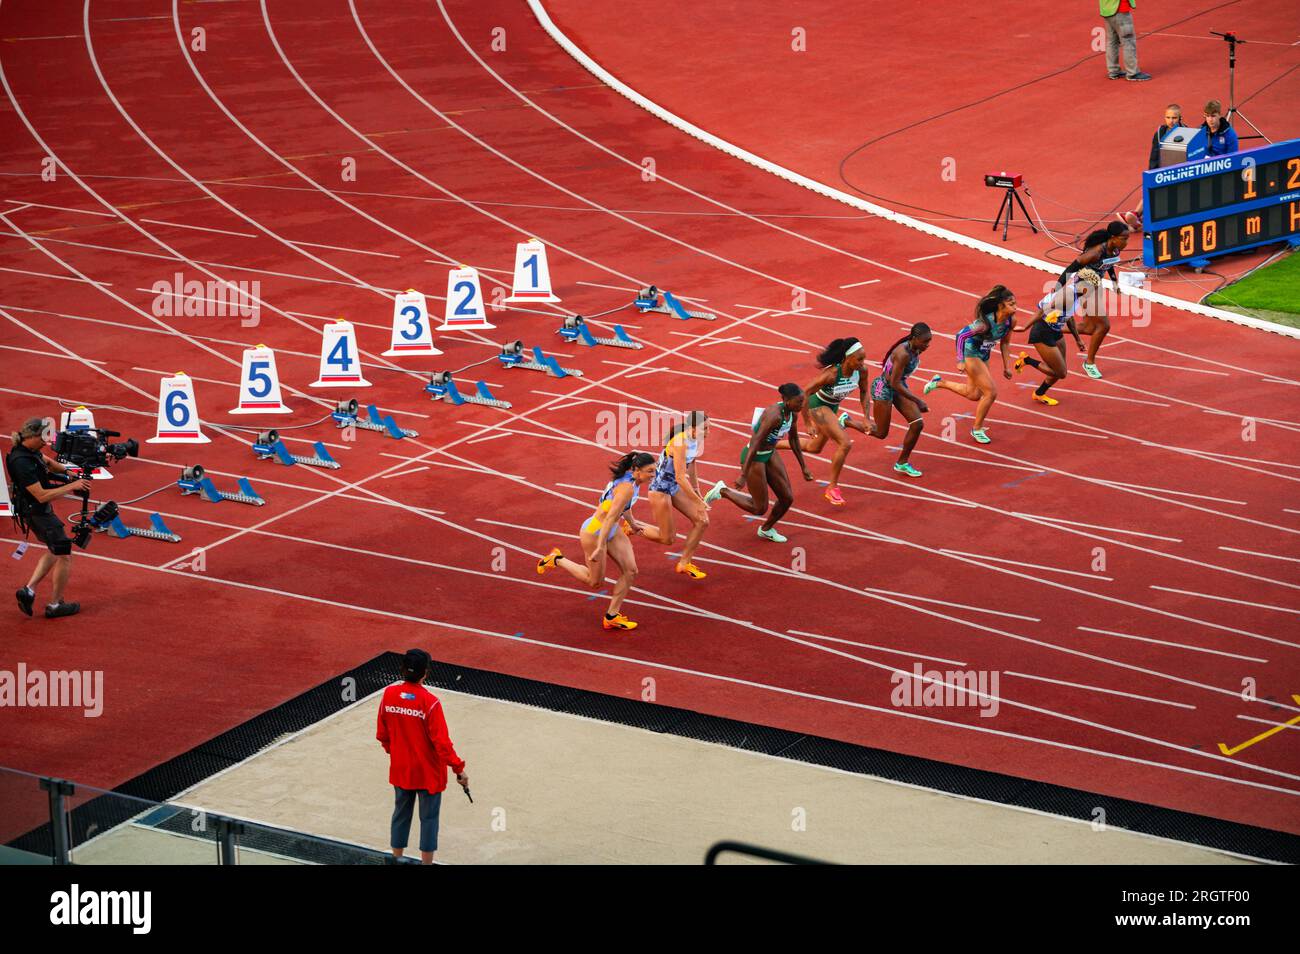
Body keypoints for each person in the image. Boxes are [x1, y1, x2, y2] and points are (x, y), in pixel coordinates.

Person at [537, 451, 656, 631]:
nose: (652, 475)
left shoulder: (631, 480)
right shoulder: (627, 488)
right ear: (637, 471)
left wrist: (632, 523)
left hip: (612, 530)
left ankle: (612, 616)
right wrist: (600, 546)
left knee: (630, 571)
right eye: (649, 472)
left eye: (654, 471)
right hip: (593, 532)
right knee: (595, 582)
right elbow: (609, 518)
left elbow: (623, 507)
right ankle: (556, 559)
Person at [376, 648, 468, 865]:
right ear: (425, 672)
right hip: (428, 774)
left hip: (402, 769)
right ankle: (426, 863)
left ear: (402, 670)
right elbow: (442, 743)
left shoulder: (388, 695)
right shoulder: (431, 702)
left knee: (400, 814)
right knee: (429, 819)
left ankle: (396, 859)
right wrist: (458, 768)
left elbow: (382, 734)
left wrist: (396, 752)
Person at [704, 383, 813, 543]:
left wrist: (803, 466)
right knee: (759, 508)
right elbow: (754, 443)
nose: (802, 404)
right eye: (798, 402)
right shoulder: (774, 416)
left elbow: (794, 439)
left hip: (770, 453)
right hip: (754, 456)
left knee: (787, 498)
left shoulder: (793, 414)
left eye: (803, 401)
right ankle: (723, 491)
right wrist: (743, 475)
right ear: (786, 400)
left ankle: (766, 529)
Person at [7, 417, 88, 619]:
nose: (45, 443)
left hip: (39, 511)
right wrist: (72, 486)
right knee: (64, 554)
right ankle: (55, 605)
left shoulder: (30, 451)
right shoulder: (21, 462)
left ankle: (29, 590)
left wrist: (70, 474)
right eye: (42, 439)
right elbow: (41, 495)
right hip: (36, 512)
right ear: (31, 436)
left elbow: (48, 462)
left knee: (55, 548)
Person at [924, 288, 1017, 444]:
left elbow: (1005, 343)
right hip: (971, 353)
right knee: (991, 392)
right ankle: (977, 429)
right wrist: (960, 360)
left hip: (983, 355)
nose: (1016, 307)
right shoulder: (984, 324)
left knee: (973, 394)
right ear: (1001, 306)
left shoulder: (1010, 321)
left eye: (1015, 304)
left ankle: (939, 382)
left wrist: (1007, 366)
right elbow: (960, 336)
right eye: (1011, 304)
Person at [852, 323, 932, 478]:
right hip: (884, 388)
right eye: (925, 341)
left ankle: (902, 463)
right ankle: (848, 421)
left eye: (929, 341)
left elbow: (897, 381)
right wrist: (917, 400)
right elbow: (893, 382)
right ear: (914, 338)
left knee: (917, 424)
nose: (927, 345)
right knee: (881, 433)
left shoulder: (914, 348)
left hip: (898, 386)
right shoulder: (903, 354)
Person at [1015, 269, 1103, 405]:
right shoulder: (1067, 295)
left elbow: (1069, 317)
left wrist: (1077, 339)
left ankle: (1039, 393)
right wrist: (1025, 327)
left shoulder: (1078, 295)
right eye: (1092, 289)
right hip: (1042, 331)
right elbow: (1043, 310)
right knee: (1061, 373)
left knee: (1058, 369)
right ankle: (1026, 360)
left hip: (1055, 331)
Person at [641, 411, 711, 580]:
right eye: (705, 428)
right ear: (693, 429)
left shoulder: (696, 439)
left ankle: (684, 563)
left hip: (674, 486)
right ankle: (633, 526)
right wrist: (697, 502)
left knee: (702, 521)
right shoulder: (680, 442)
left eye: (709, 428)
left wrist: (696, 489)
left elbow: (692, 462)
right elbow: (680, 477)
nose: (708, 432)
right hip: (660, 489)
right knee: (668, 539)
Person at [799, 338, 868, 506]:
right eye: (859, 359)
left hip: (832, 408)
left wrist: (867, 417)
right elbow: (805, 393)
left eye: (863, 358)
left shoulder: (862, 371)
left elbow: (865, 392)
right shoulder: (831, 375)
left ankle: (771, 445)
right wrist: (807, 422)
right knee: (845, 443)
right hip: (817, 406)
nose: (862, 362)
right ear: (846, 358)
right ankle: (832, 488)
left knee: (814, 447)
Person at [1054, 223, 1127, 378]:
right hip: (1083, 284)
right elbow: (1071, 268)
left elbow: (1110, 264)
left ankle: (1052, 329)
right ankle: (1089, 362)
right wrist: (1057, 288)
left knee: (1088, 328)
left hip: (1095, 284)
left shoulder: (1114, 249)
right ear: (1113, 238)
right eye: (1123, 239)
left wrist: (1115, 282)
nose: (1126, 242)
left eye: (1127, 239)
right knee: (1104, 325)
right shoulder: (1096, 252)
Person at [1121, 103, 1183, 229]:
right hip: (1161, 170)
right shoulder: (1160, 132)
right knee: (1151, 189)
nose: (1171, 121)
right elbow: (1154, 154)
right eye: (1168, 117)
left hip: (1178, 173)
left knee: (1160, 197)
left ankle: (1138, 217)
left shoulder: (1186, 132)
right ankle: (1137, 216)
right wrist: (1152, 173)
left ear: (1180, 118)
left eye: (1174, 118)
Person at [1100, 0, 1151, 81]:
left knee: (1112, 41)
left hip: (1107, 10)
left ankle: (1113, 71)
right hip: (1120, 10)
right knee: (1128, 41)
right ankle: (1132, 73)